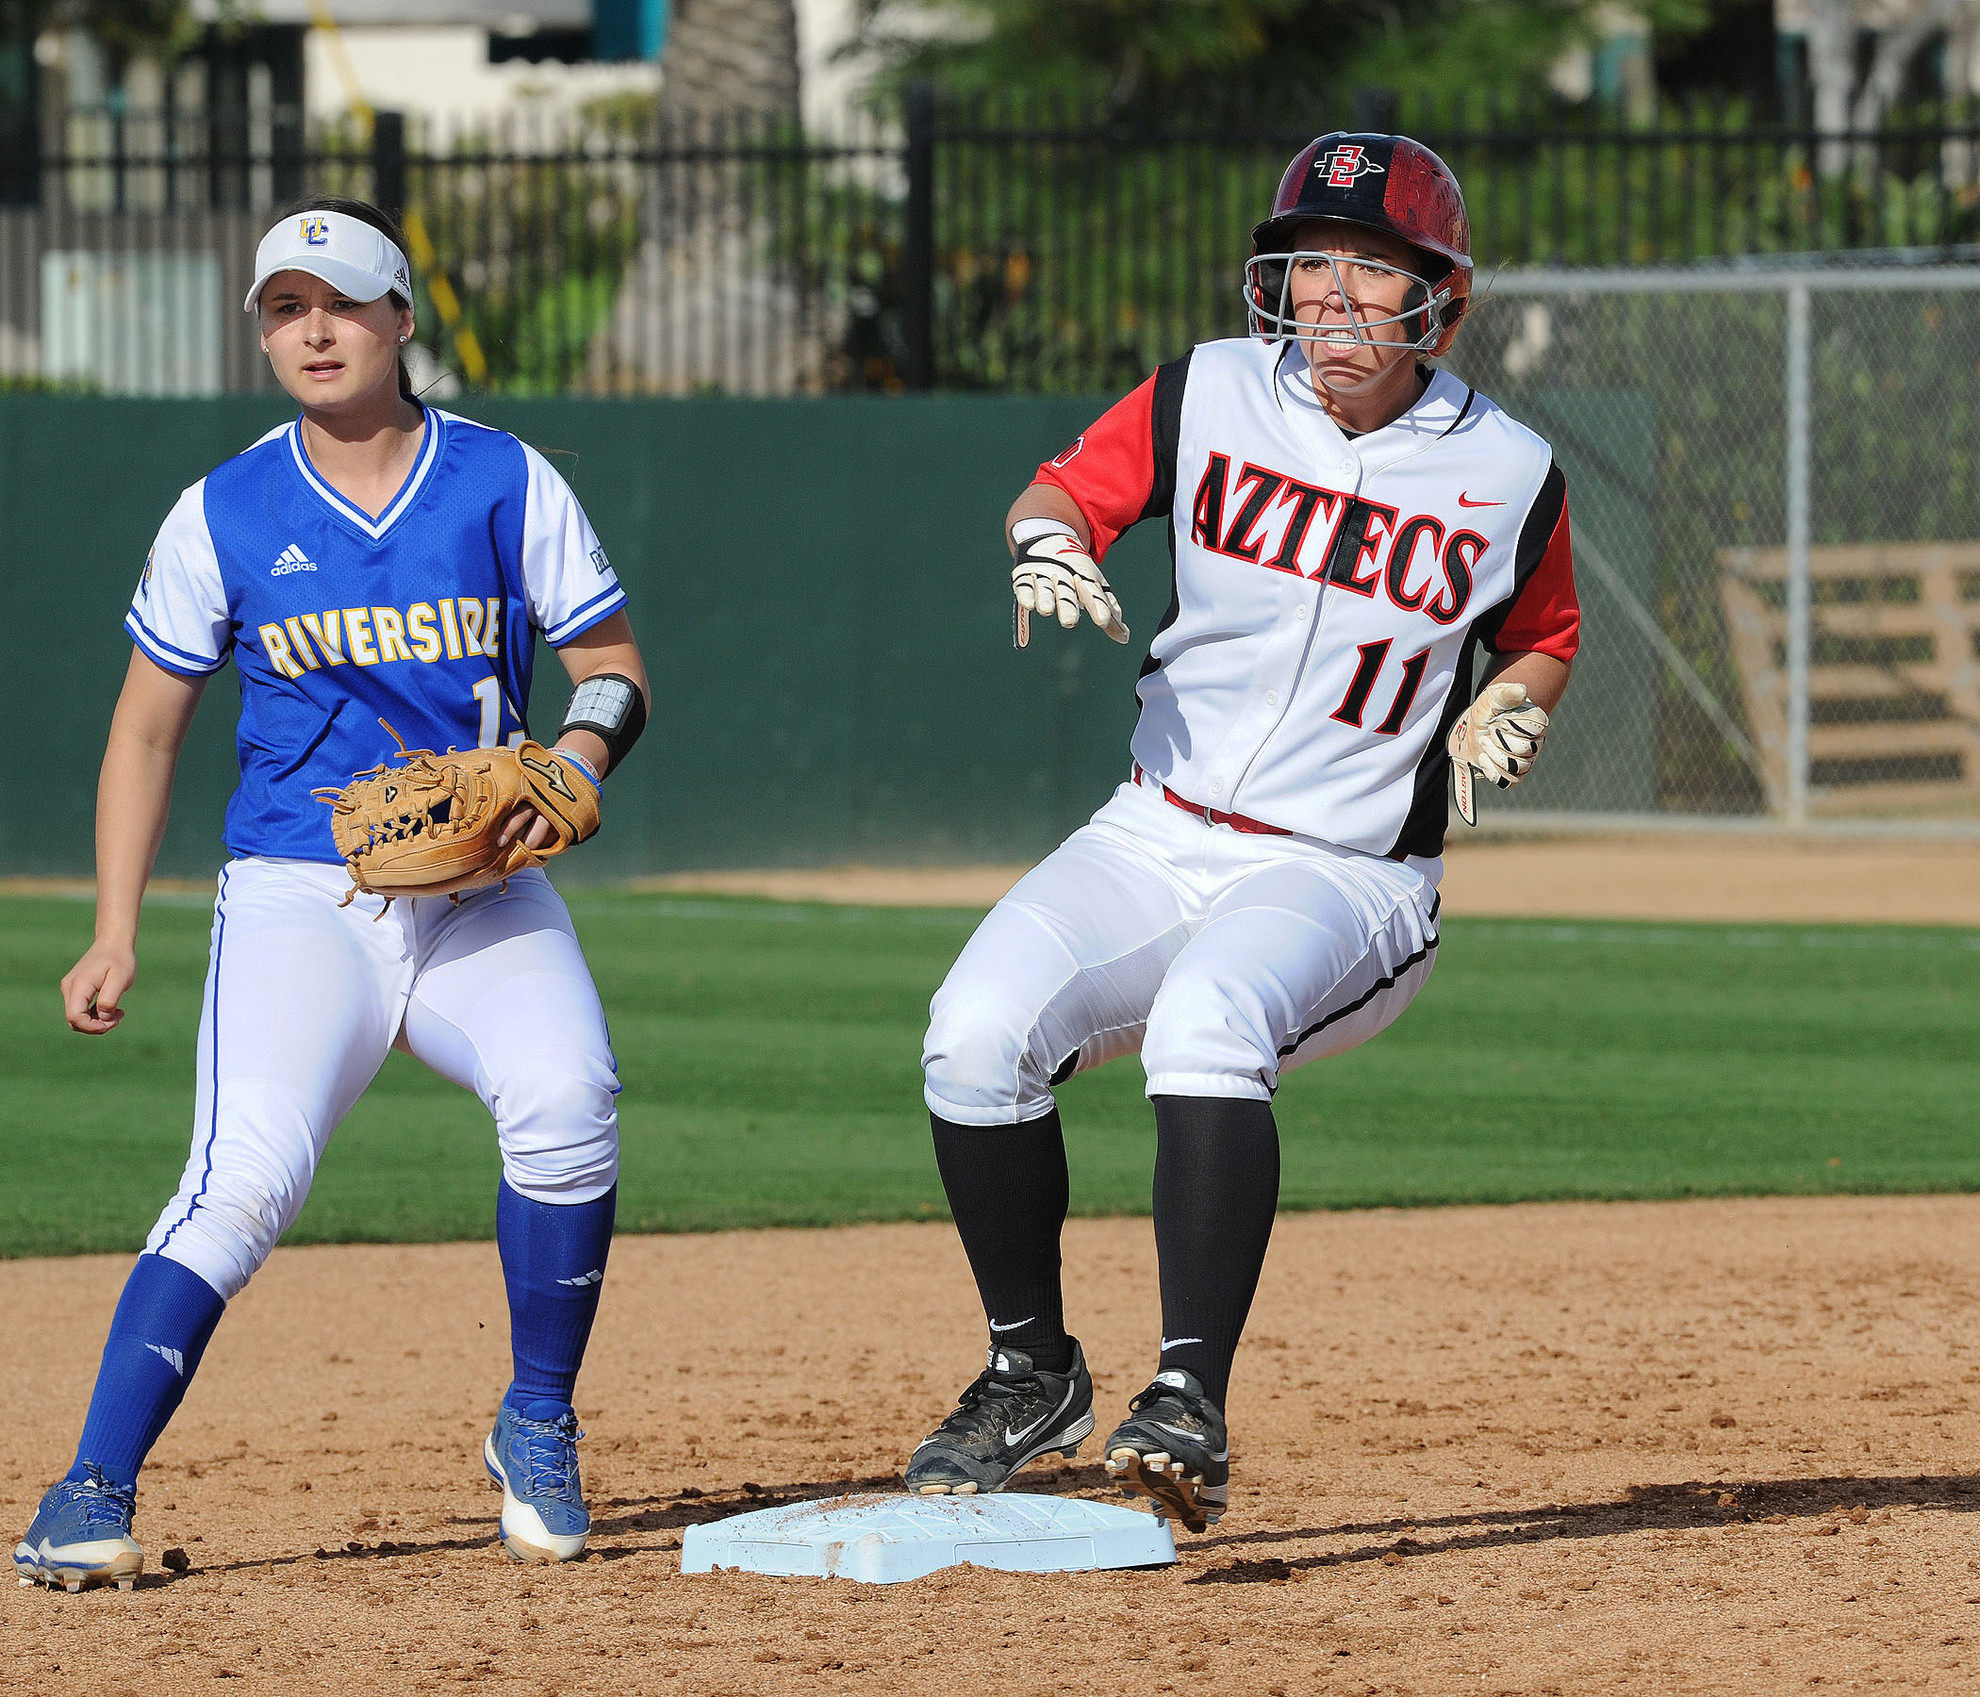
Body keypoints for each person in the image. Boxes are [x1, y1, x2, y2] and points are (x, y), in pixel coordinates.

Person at [903, 134, 1577, 1531]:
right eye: (1308, 266)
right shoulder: (1208, 389)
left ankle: (1186, 1394)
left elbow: (1545, 632)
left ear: (1441, 299)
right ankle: (1032, 1370)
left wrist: (1510, 705)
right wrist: (1047, 540)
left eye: (1366, 270)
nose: (1328, 299)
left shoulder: (1509, 470)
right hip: (1154, 830)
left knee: (1212, 1012)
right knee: (973, 1032)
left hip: (1346, 872)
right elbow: (1061, 490)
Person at [14, 198, 651, 1591]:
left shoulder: (501, 481)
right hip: (303, 891)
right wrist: (114, 926)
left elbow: (611, 659)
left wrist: (579, 748)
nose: (311, 328)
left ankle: (535, 1418)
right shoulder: (225, 508)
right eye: (283, 307)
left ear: (400, 321)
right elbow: (144, 730)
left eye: (341, 302)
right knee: (240, 1182)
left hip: (480, 886)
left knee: (570, 1095)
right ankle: (90, 1486)